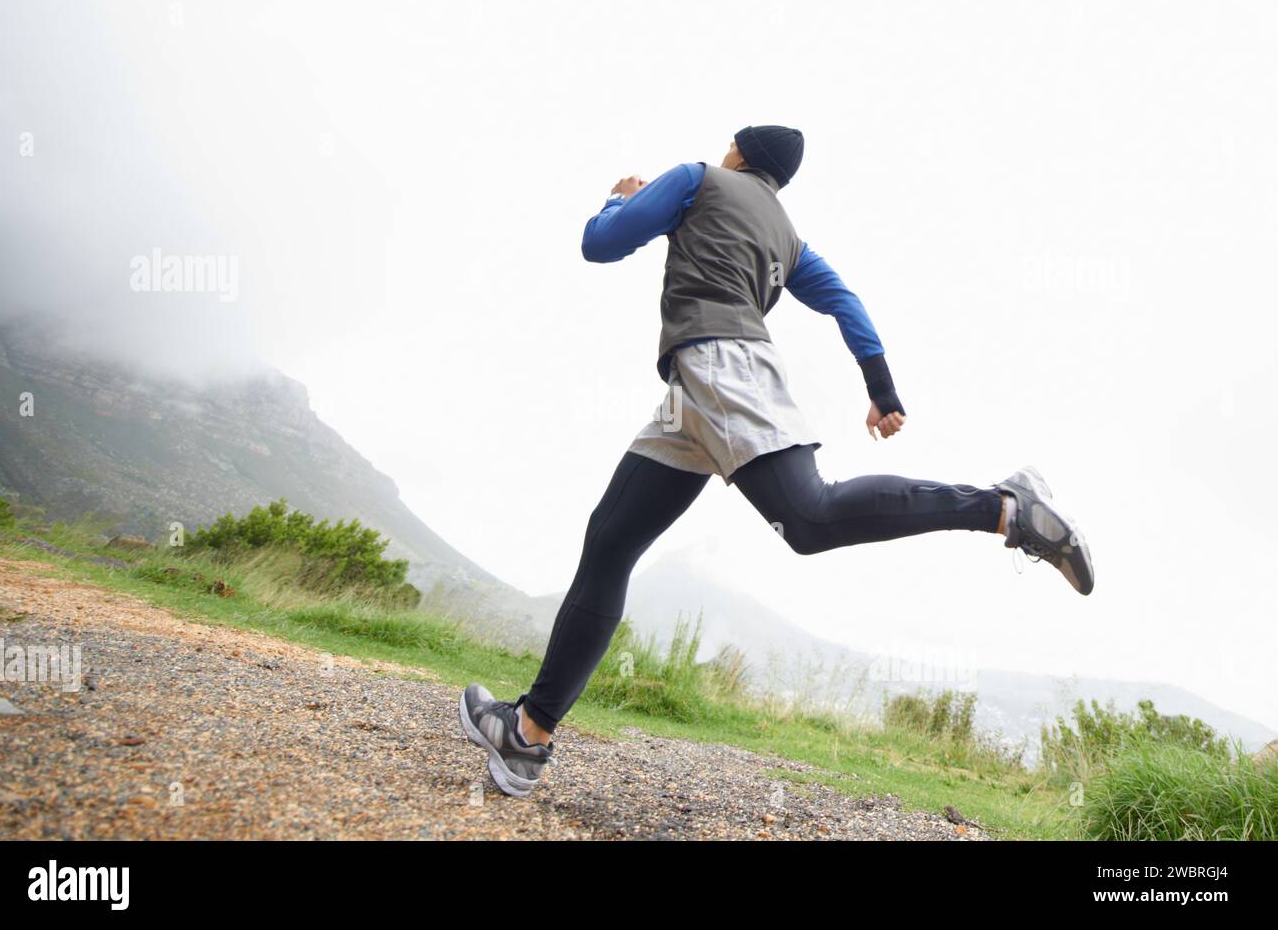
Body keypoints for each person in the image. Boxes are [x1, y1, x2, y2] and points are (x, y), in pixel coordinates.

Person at [459, 125, 1094, 797]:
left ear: (740, 153)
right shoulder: (788, 237)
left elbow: (599, 244)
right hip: (693, 394)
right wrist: (881, 388)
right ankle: (528, 734)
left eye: (728, 143)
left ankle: (1004, 507)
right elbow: (844, 299)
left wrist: (622, 202)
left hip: (718, 368)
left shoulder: (698, 178)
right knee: (610, 541)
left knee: (808, 517)